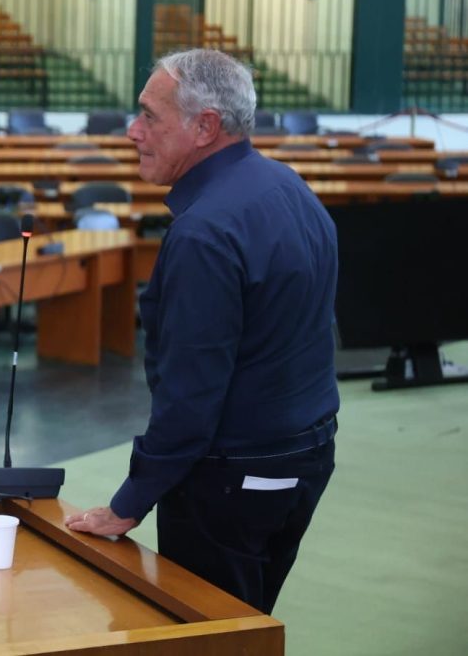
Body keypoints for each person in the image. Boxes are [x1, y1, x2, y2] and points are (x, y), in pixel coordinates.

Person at [64, 49, 339, 615]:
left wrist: (130, 502)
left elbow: (190, 394)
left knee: (208, 632)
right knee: (249, 622)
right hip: (306, 454)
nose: (133, 132)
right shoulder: (291, 188)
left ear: (205, 127)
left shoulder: (205, 233)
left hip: (232, 475)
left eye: (149, 116)